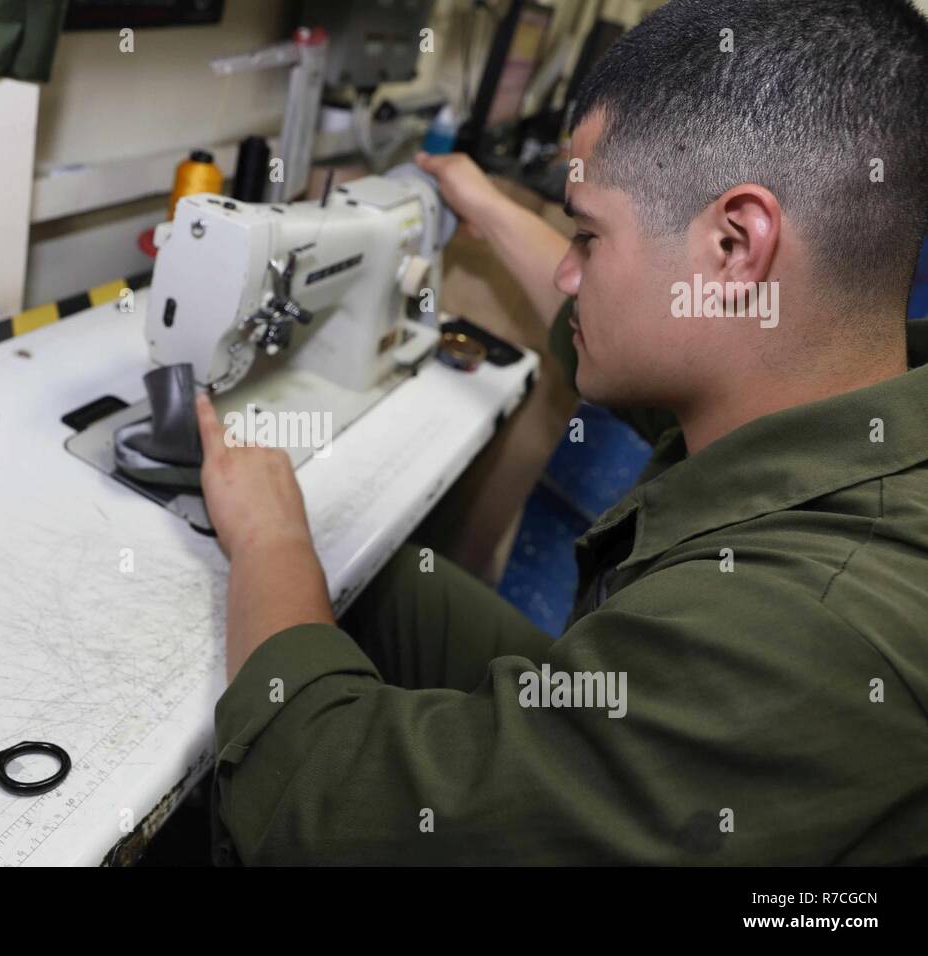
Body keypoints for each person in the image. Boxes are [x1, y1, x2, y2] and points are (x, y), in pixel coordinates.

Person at [194, 0, 928, 864]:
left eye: (587, 235)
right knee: (383, 582)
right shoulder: (845, 386)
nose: (569, 272)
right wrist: (482, 201)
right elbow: (631, 320)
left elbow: (312, 803)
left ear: (736, 246)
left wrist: (273, 538)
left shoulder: (797, 633)